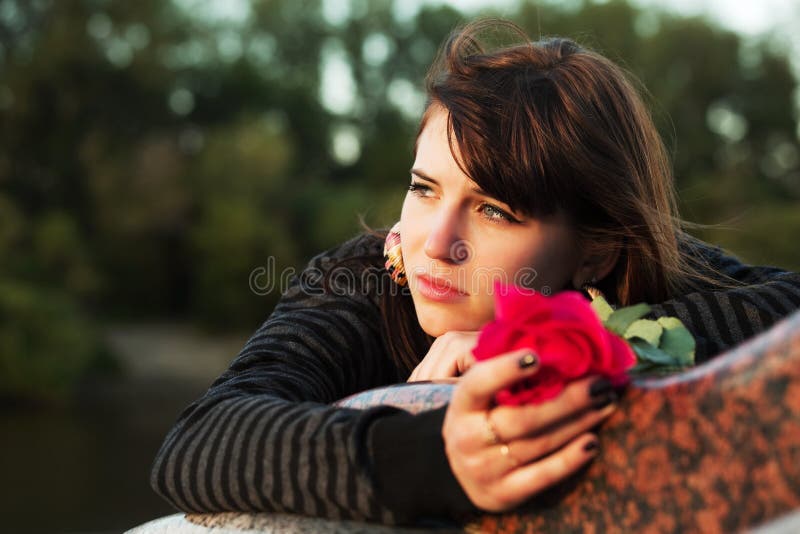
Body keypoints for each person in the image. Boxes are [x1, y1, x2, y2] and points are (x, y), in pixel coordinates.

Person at [150, 19, 800, 526]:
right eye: (424, 188)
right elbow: (199, 442)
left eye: (494, 210)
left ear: (596, 251)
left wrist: (535, 343)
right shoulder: (363, 279)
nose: (436, 242)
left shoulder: (646, 273)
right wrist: (433, 453)